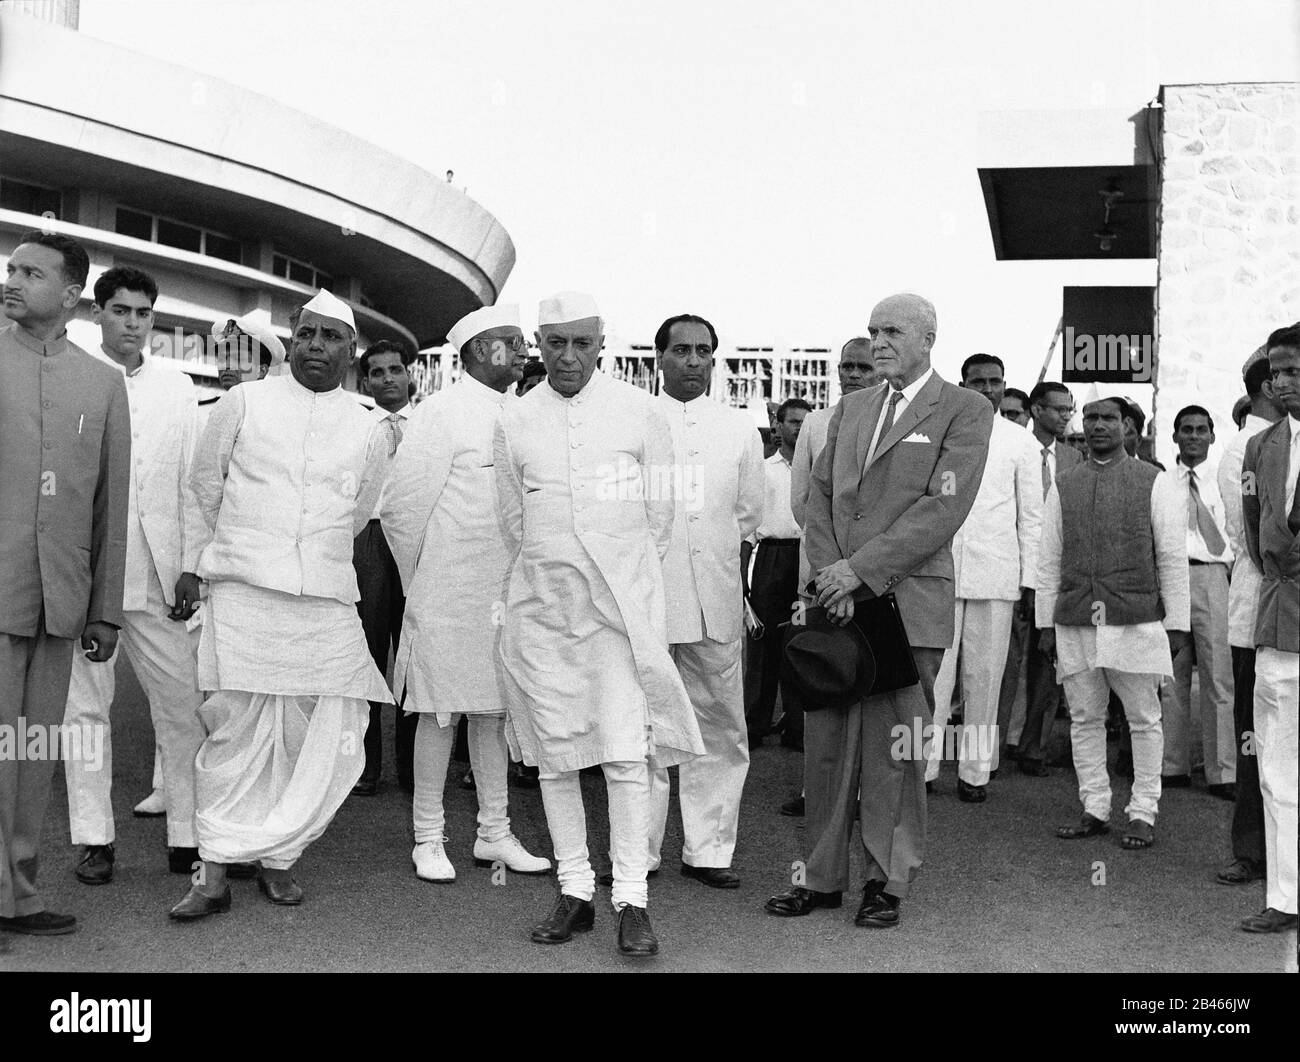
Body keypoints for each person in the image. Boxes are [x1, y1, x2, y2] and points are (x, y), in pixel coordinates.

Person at [765, 293, 991, 928]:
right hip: (836, 601)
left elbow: (942, 508)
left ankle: (886, 881)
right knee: (827, 744)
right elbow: (818, 497)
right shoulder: (851, 410)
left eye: (891, 331)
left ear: (927, 339)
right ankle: (820, 877)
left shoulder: (965, 411)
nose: (877, 342)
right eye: (872, 331)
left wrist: (856, 572)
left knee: (896, 747)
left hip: (904, 603)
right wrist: (832, 574)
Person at [168, 289, 392, 920]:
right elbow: (203, 488)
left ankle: (280, 857)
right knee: (231, 731)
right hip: (244, 591)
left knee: (315, 733)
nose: (317, 346)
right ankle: (211, 870)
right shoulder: (245, 402)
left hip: (322, 600)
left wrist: (307, 557)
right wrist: (210, 561)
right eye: (308, 334)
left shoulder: (371, 423)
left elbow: (359, 511)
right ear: (293, 339)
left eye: (331, 338)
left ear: (351, 351)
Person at [494, 291, 704, 957]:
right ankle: (576, 890)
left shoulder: (641, 412)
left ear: (601, 344)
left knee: (622, 753)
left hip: (618, 613)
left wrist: (623, 584)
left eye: (581, 342)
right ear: (538, 344)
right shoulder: (515, 417)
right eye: (555, 342)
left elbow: (662, 520)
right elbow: (510, 520)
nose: (567, 355)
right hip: (541, 611)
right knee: (554, 755)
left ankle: (632, 900)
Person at [382, 305, 549, 883]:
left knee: (494, 713)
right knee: (437, 713)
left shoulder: (528, 413)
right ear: (479, 350)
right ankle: (428, 838)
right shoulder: (440, 414)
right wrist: (422, 584)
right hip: (446, 591)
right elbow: (400, 511)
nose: (524, 350)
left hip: (509, 594)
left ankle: (493, 835)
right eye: (511, 342)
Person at [1, 230, 130, 937]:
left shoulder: (102, 384)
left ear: (71, 291)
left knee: (27, 754)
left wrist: (104, 608)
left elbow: (112, 501)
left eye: (31, 272)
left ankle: (17, 897)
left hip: (59, 602)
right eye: (11, 269)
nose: (13, 280)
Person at [61, 266, 207, 886]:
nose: (132, 323)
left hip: (156, 572)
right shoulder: (69, 376)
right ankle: (95, 840)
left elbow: (194, 484)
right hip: (86, 575)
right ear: (98, 314)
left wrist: (192, 567)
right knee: (84, 713)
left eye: (143, 314)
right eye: (120, 311)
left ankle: (190, 837)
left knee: (182, 710)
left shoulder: (178, 387)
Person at [134, 309, 287, 819]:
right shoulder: (197, 412)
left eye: (242, 358)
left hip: (249, 572)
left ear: (266, 366)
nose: (228, 366)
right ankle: (169, 780)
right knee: (180, 684)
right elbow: (182, 497)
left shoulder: (277, 419)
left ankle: (238, 797)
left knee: (235, 691)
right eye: (223, 355)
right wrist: (188, 567)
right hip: (191, 570)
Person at [1042, 394, 1190, 851]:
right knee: (1085, 717)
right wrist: (1047, 622)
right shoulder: (1063, 483)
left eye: (1108, 418)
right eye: (1090, 417)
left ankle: (1144, 811)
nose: (1098, 425)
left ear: (1128, 427)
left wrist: (1178, 622)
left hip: (1135, 620)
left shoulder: (1154, 481)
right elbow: (1049, 558)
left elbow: (1170, 555)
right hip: (1076, 619)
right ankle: (1095, 807)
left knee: (1143, 718)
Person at [648, 313, 764, 887]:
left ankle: (710, 850)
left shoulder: (740, 429)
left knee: (720, 726)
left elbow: (747, 515)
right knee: (646, 727)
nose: (694, 360)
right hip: (648, 602)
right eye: (682, 350)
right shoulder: (635, 420)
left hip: (715, 598)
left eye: (704, 351)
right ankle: (636, 852)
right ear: (660, 358)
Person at [925, 354, 1041, 802]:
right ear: (963, 383)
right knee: (936, 678)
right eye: (978, 381)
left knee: (985, 677)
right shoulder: (940, 431)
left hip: (996, 573)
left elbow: (1031, 517)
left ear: (1004, 385)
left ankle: (974, 773)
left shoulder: (1019, 442)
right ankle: (927, 767)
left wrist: (1029, 581)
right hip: (941, 572)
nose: (987, 389)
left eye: (995, 382)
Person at [782, 338, 877, 813]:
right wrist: (832, 565)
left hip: (875, 580)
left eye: (863, 366)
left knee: (867, 686)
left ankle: (862, 790)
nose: (853, 374)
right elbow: (802, 502)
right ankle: (814, 787)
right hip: (822, 574)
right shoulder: (817, 423)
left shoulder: (891, 423)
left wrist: (860, 567)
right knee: (819, 678)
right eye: (847, 366)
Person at [1238, 323, 1300, 934]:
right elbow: (1258, 540)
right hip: (1281, 627)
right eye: (1276, 371)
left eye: (1294, 370)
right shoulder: (1261, 448)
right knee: (1277, 770)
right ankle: (1285, 896)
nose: (1282, 381)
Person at [1214, 346, 1284, 886]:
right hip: (1260, 610)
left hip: (1288, 609)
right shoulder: (1244, 447)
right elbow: (1252, 538)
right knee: (1254, 737)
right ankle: (1251, 850)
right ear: (1268, 386)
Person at [1000, 381, 1081, 775]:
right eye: (1059, 409)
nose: (1067, 416)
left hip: (1057, 573)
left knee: (1048, 662)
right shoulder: (1013, 447)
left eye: (1070, 409)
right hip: (1014, 569)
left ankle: (1034, 746)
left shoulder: (1073, 459)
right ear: (1036, 410)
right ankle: (995, 746)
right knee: (1004, 662)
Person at [1158, 406, 1236, 798]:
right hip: (1172, 576)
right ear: (1175, 437)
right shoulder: (1163, 483)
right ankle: (1172, 765)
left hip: (1211, 576)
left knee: (1218, 675)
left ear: (1211, 436)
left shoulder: (1224, 480)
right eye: (1186, 430)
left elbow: (1237, 529)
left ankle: (1223, 771)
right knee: (1172, 674)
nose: (1193, 436)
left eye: (1201, 430)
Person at [352, 339, 418, 797]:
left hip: (416, 540)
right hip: (371, 539)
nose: (388, 379)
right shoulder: (357, 426)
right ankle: (367, 766)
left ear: (409, 374)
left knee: (413, 656)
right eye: (378, 373)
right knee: (370, 656)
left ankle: (415, 768)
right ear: (366, 381)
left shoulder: (431, 423)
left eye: (396, 370)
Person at [743, 397, 810, 749]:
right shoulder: (764, 471)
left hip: (805, 558)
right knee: (764, 644)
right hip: (771, 558)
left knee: (799, 642)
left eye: (805, 421)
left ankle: (796, 727)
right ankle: (755, 723)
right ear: (779, 426)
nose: (799, 427)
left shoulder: (816, 472)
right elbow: (750, 526)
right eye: (793, 421)